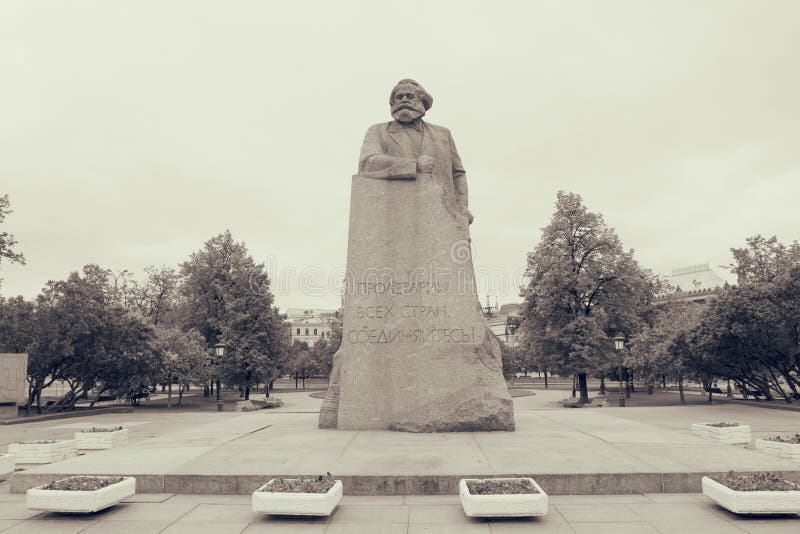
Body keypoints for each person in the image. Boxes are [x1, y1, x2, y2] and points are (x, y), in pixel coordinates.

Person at [359, 79, 473, 225]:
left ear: (422, 101)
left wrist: (462, 207)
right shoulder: (378, 131)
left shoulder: (443, 134)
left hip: (442, 214)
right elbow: (367, 163)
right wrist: (414, 165)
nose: (404, 100)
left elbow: (457, 174)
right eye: (399, 97)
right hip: (397, 216)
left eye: (409, 96)